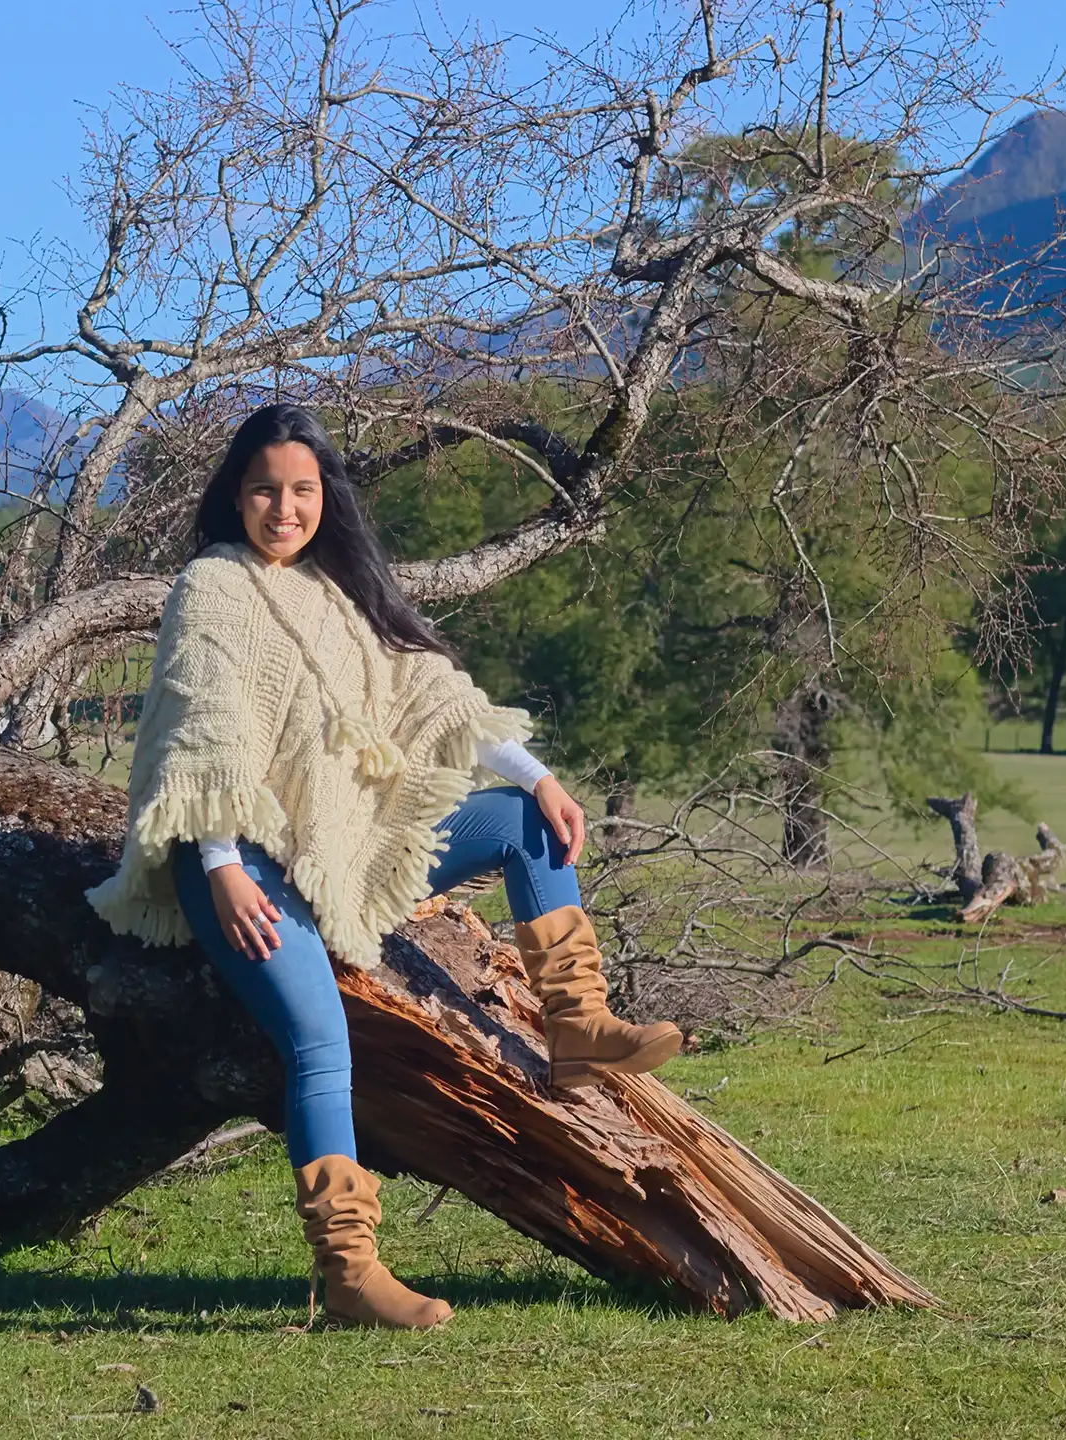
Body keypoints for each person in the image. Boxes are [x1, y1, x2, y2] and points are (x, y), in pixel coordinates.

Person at [87, 403, 681, 1330]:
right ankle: (348, 1273)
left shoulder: (334, 591)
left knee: (527, 823)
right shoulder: (211, 588)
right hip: (236, 869)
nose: (285, 509)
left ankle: (576, 1024)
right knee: (320, 1042)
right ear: (234, 496)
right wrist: (221, 863)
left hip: (341, 846)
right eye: (265, 490)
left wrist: (542, 776)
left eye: (302, 491)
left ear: (326, 495)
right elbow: (209, 733)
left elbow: (428, 691)